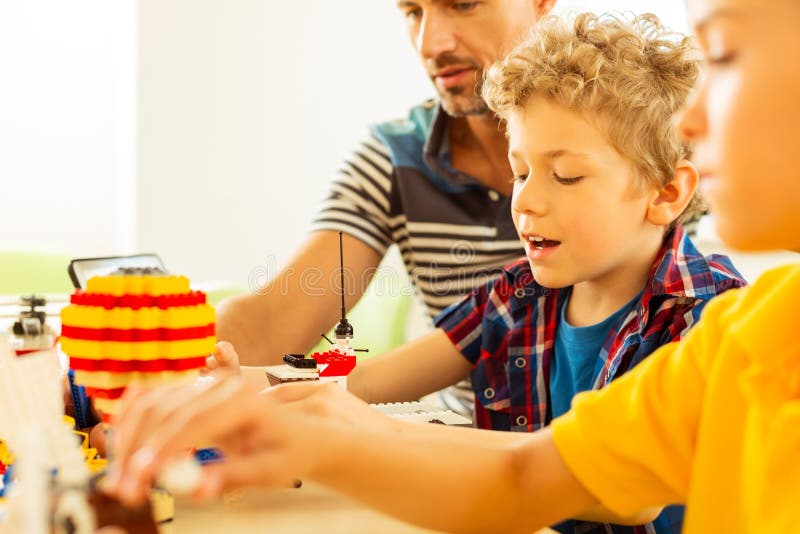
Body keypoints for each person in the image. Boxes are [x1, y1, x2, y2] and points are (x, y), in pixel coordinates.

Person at [102, 9, 788, 532]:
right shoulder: (521, 289)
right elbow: (366, 381)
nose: (528, 200)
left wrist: (346, 434)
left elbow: (604, 493)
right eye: (521, 172)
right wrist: (240, 386)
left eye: (566, 175)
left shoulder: (702, 316)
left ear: (666, 195)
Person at [215, 1, 559, 364]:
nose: (430, 45)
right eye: (413, 12)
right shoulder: (394, 160)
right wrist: (166, 347)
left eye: (463, 4)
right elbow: (270, 324)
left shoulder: (622, 135)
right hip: (438, 421)